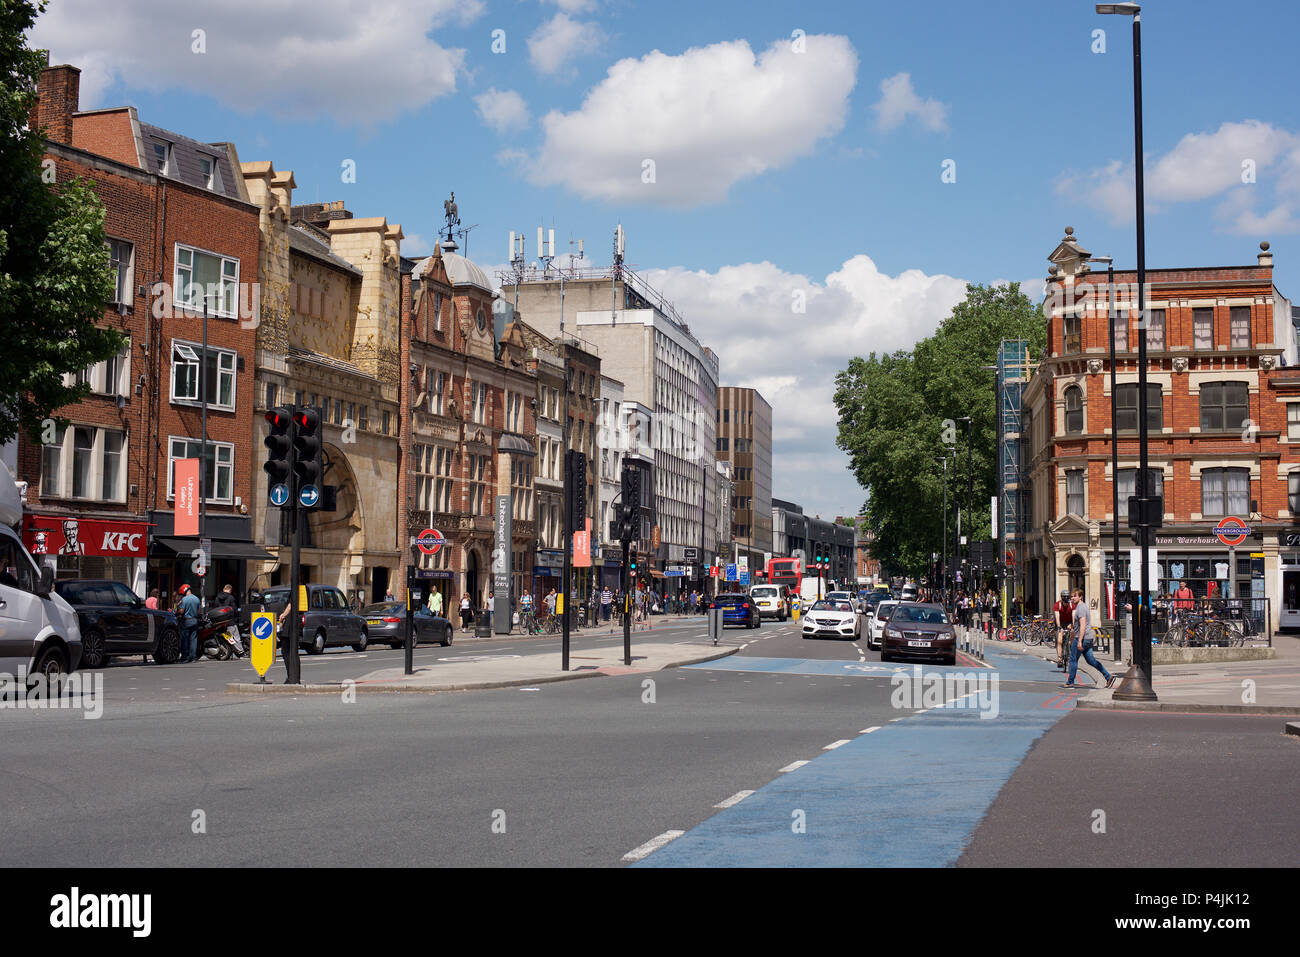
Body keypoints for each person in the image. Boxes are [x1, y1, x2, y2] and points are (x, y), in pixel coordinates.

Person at [1064, 588, 1115, 690]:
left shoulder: (1081, 608)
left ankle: (1070, 682)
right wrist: (1073, 627)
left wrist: (1079, 641)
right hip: (1087, 638)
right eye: (1071, 596)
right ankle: (1108, 677)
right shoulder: (1080, 607)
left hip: (1082, 638)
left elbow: (1083, 626)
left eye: (1075, 596)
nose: (1072, 598)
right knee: (1091, 660)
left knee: (1073, 660)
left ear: (1080, 597)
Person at [176, 583, 201, 663]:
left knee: (185, 640)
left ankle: (184, 658)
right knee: (193, 640)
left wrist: (177, 610)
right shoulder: (197, 599)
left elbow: (181, 611)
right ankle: (193, 657)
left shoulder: (184, 599)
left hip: (186, 621)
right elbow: (198, 612)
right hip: (195, 620)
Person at [1052, 590, 1074, 670]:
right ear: (1061, 597)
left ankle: (1071, 653)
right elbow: (1057, 617)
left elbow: (1074, 616)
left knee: (1072, 636)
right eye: (1064, 597)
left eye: (1067, 597)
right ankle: (1060, 659)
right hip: (1060, 623)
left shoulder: (1072, 605)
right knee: (1059, 641)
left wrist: (1072, 625)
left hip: (1069, 622)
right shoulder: (1057, 605)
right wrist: (1059, 627)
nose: (1066, 598)